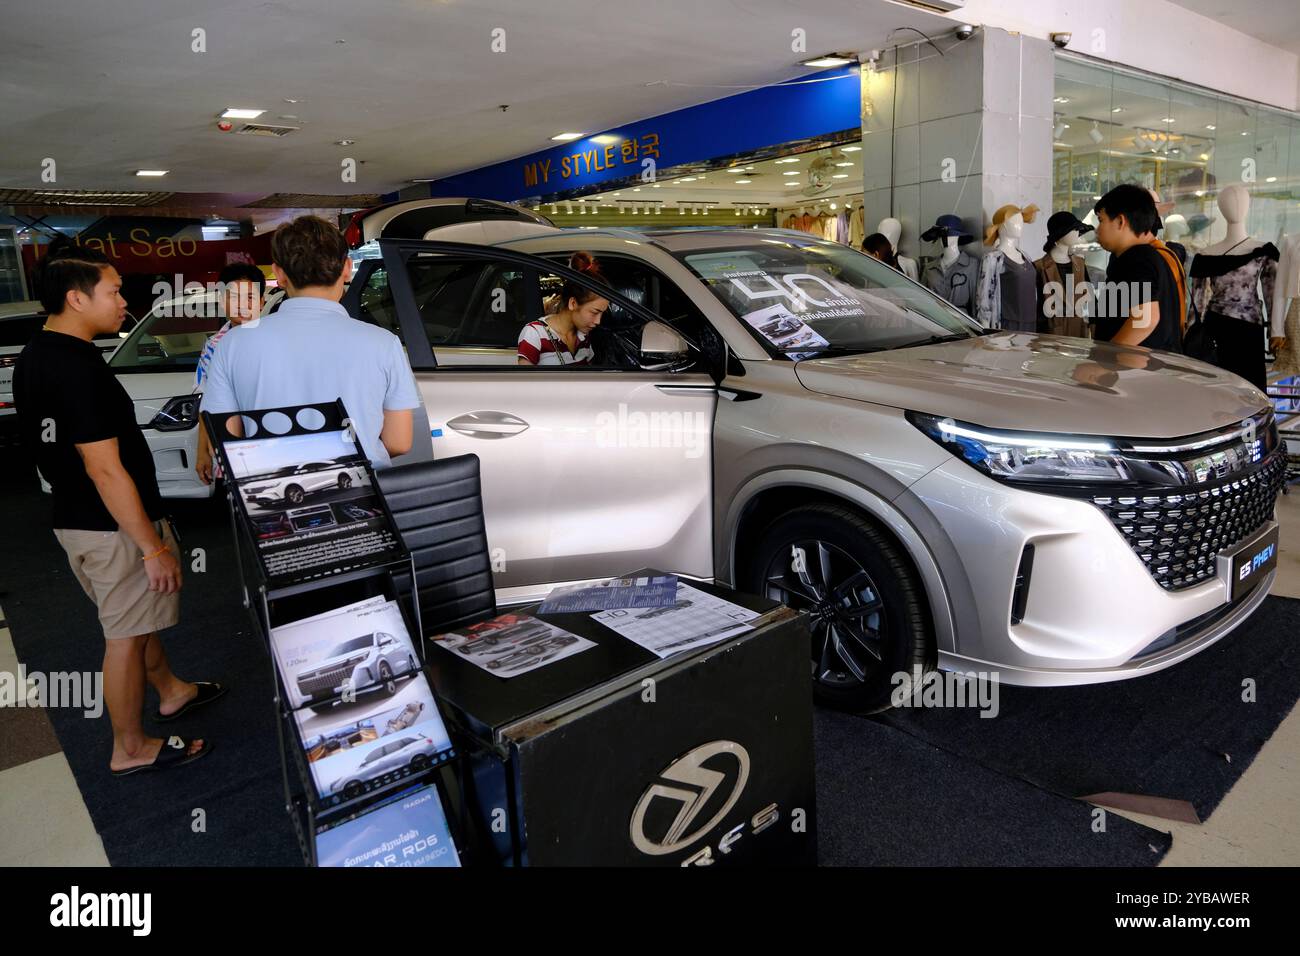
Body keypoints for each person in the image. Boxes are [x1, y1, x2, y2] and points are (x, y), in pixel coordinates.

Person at [13, 238, 220, 776]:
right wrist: (151, 547)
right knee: (124, 636)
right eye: (113, 291)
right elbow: (104, 468)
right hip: (111, 529)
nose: (123, 301)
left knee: (132, 619)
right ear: (76, 298)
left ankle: (171, 690)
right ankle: (129, 748)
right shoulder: (76, 369)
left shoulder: (41, 352)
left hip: (77, 522)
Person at [200, 216, 420, 466]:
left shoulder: (233, 344)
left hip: (272, 494)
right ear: (347, 269)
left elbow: (224, 437)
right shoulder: (384, 343)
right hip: (362, 494)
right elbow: (399, 442)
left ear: (280, 275)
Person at [195, 263, 267, 485]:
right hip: (229, 448)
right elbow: (205, 401)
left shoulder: (274, 340)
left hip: (270, 444)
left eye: (249, 297)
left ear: (262, 301)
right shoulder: (213, 346)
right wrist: (202, 451)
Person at [1091, 185, 1182, 352]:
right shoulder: (1146, 256)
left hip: (1133, 372)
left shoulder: (1137, 258)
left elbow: (1145, 321)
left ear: (1120, 221)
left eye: (1101, 220)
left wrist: (1106, 358)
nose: (1097, 230)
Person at [517, 251, 606, 366]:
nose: (598, 321)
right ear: (573, 303)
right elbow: (525, 382)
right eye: (595, 312)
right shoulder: (534, 334)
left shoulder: (583, 337)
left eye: (602, 314)